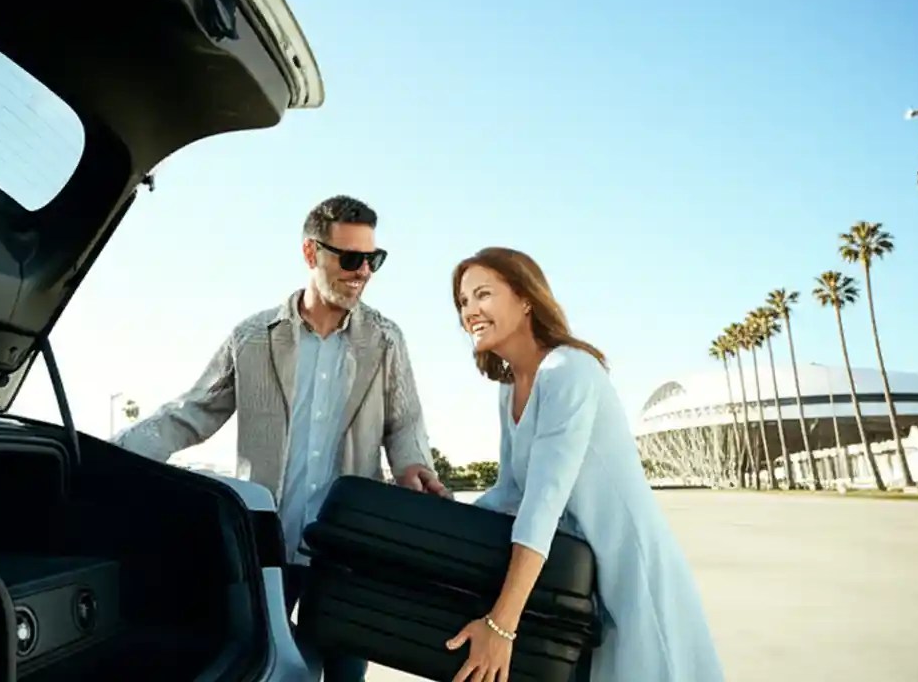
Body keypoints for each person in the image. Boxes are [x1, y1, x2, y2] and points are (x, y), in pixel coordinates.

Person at [114, 195, 448, 681]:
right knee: (262, 670)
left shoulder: (385, 339)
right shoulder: (253, 337)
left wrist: (414, 466)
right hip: (266, 547)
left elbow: (405, 425)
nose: (363, 272)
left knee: (345, 675)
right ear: (312, 254)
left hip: (347, 553)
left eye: (373, 260)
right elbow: (193, 412)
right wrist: (112, 453)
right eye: (350, 259)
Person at [443, 247, 724, 682]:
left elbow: (543, 503)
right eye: (463, 301)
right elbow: (512, 491)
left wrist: (502, 626)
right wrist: (443, 511)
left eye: (483, 294)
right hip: (578, 583)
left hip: (632, 578)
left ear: (525, 299)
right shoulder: (510, 386)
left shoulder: (568, 371)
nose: (470, 311)